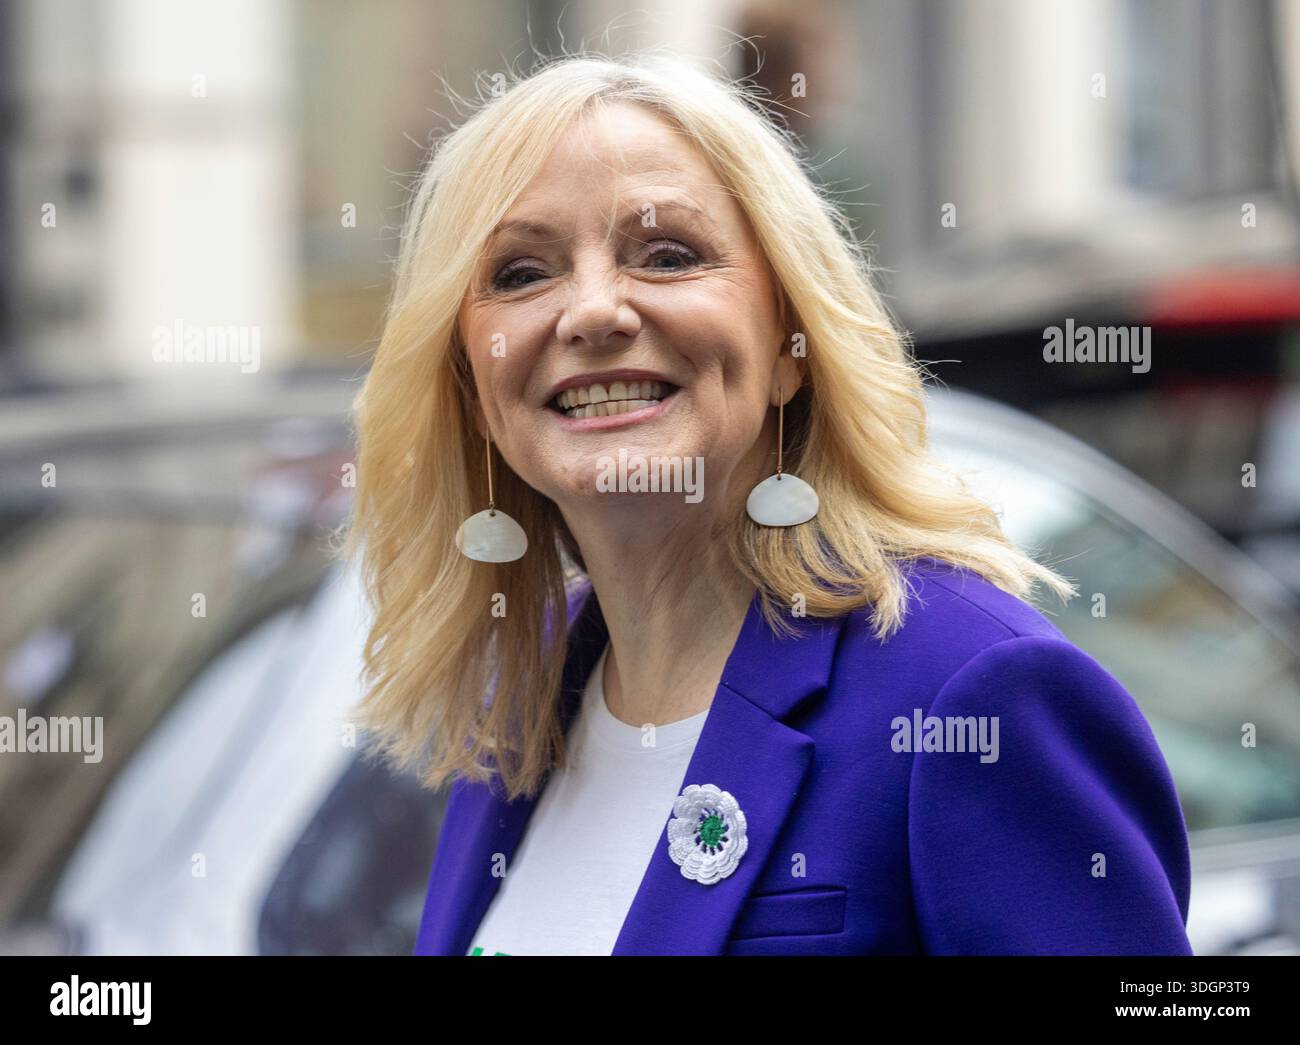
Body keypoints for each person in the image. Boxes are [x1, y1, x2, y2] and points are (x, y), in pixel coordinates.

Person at [341, 51, 1193, 956]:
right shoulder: (518, 703)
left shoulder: (975, 690)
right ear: (473, 383)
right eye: (519, 273)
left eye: (668, 254)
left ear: (791, 346)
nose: (593, 311)